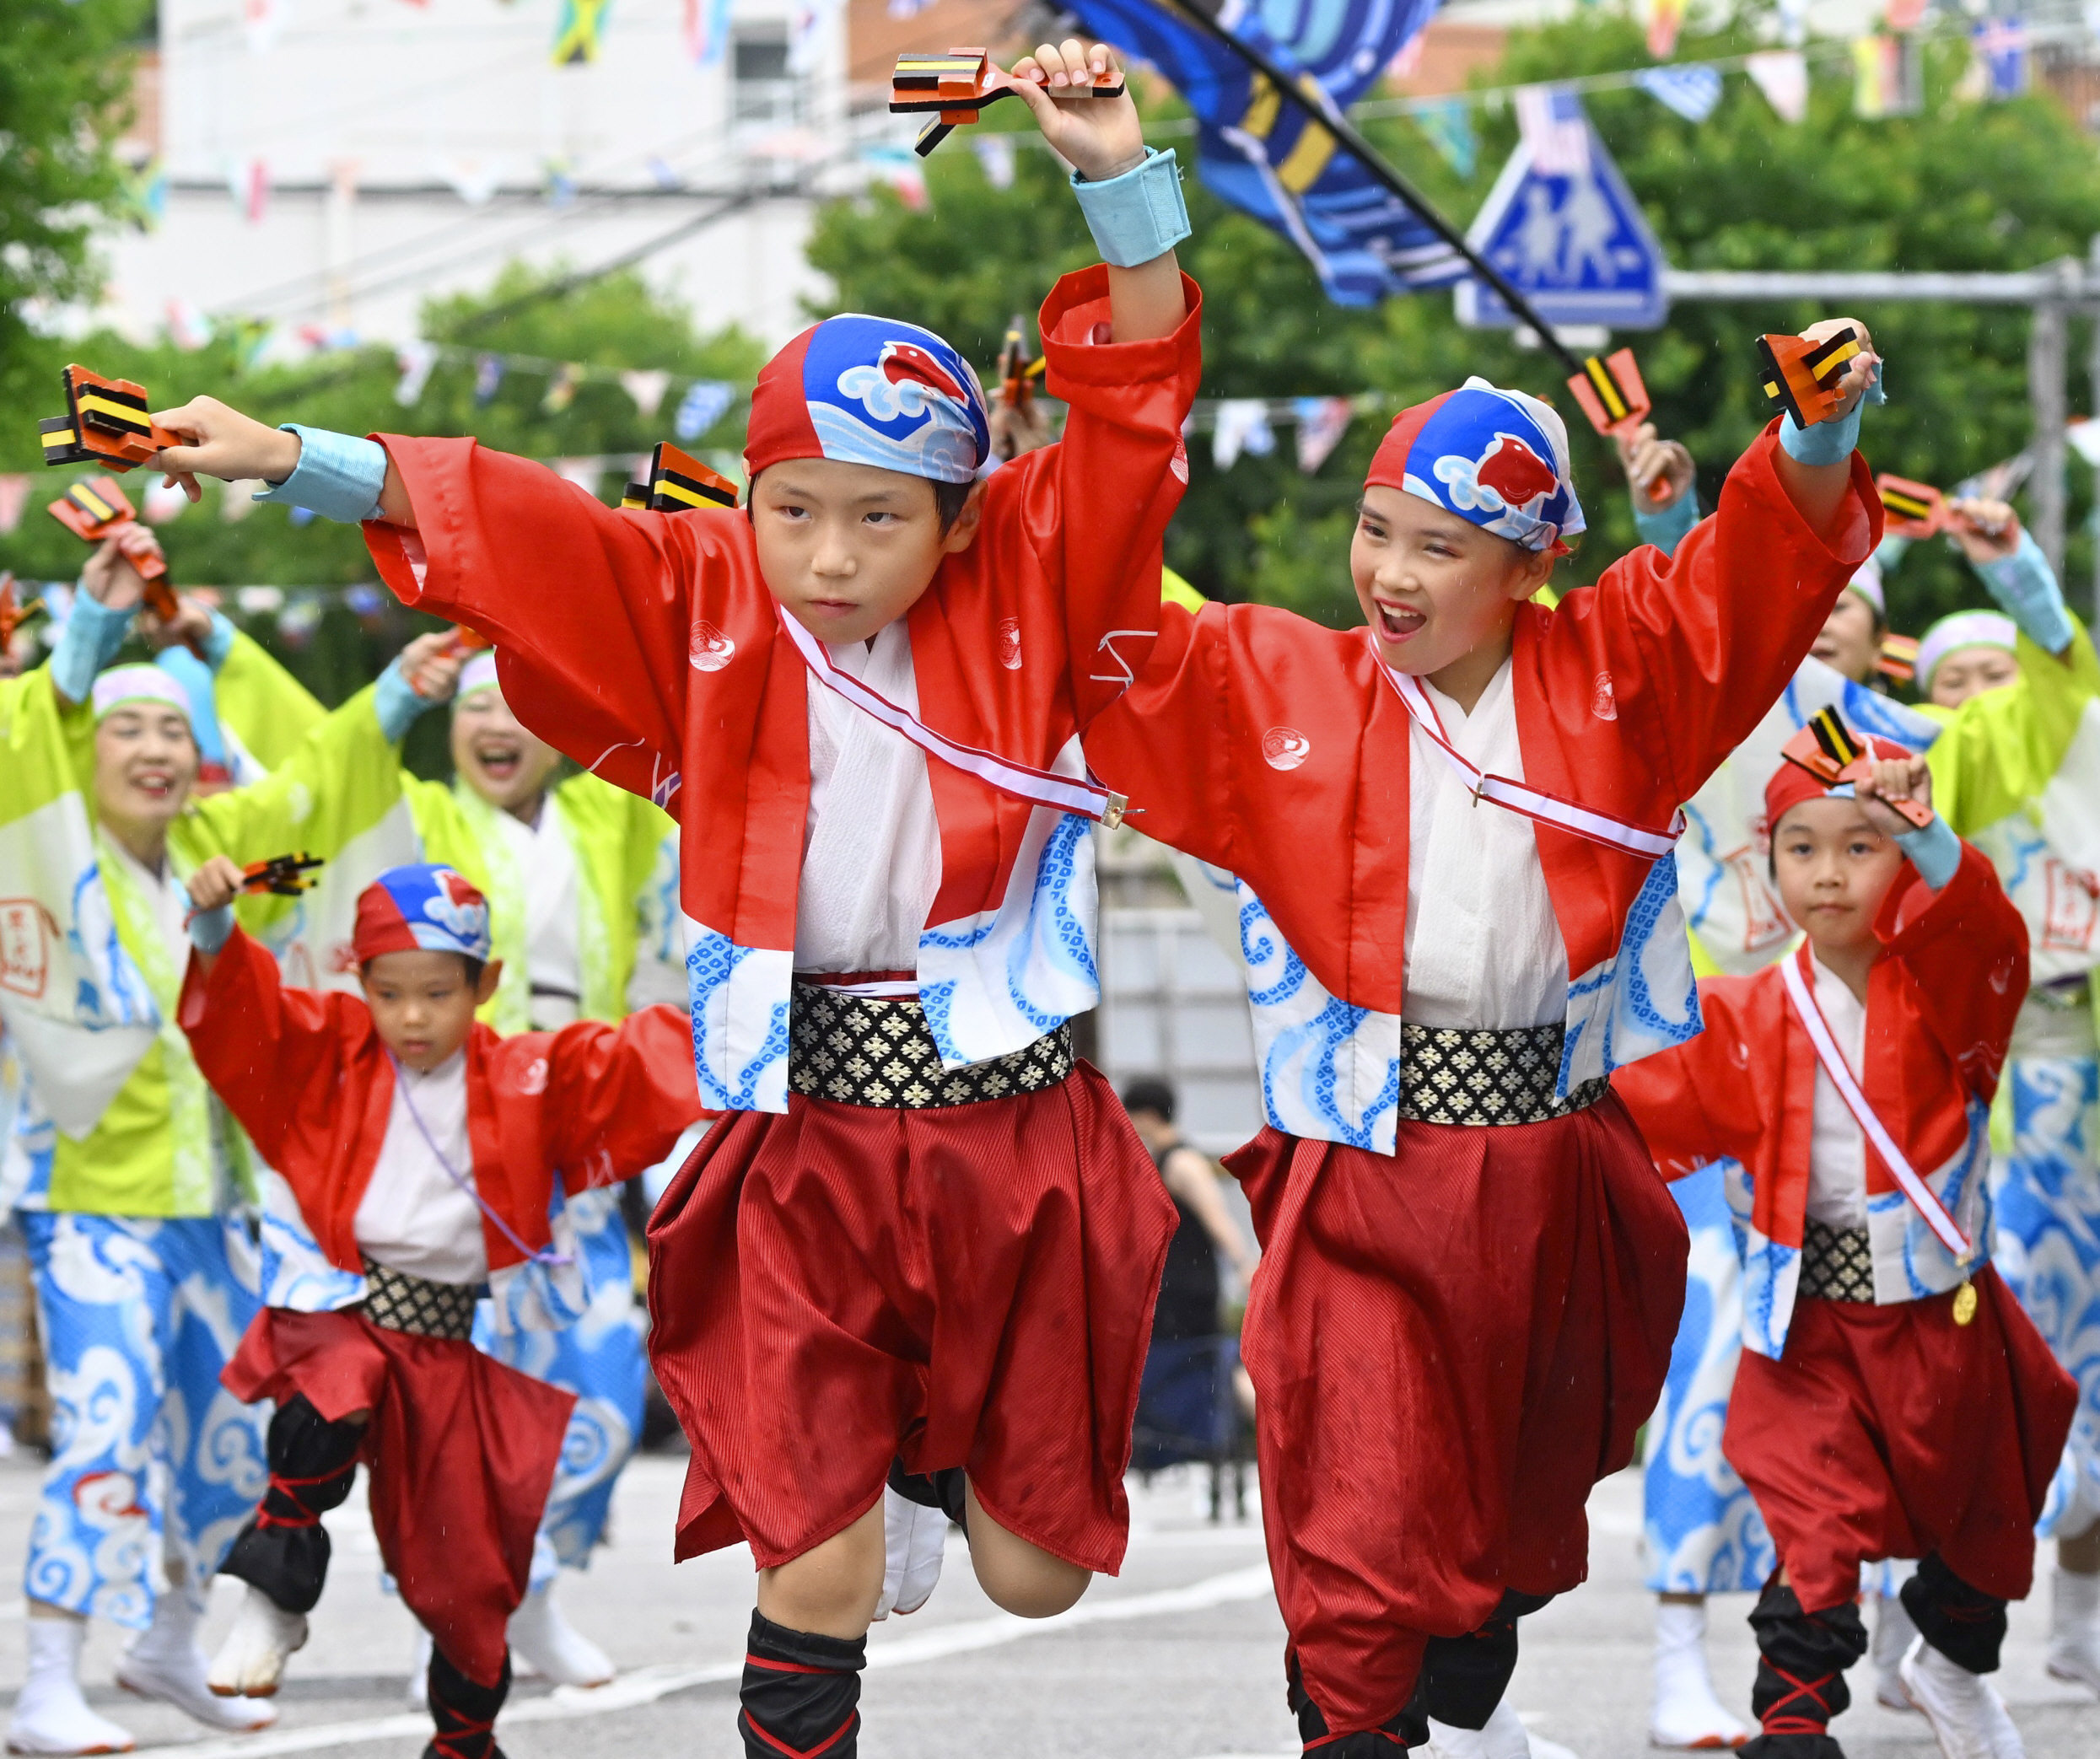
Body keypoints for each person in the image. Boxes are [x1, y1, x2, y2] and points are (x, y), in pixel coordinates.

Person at [143, 39, 1199, 1759]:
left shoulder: (1034, 574)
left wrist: (1113, 178)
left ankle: (938, 1438)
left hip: (1017, 1138)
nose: (834, 557)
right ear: (752, 495)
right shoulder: (702, 585)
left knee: (1031, 1577)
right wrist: (290, 452)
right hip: (804, 1136)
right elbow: (511, 518)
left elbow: (1138, 410)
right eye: (797, 510)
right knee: (820, 1564)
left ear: (963, 517)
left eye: (882, 518)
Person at [1078, 318, 1883, 1758]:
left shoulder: (1621, 670)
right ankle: (1352, 1701)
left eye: (1440, 548)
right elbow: (1111, 626)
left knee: (1500, 1532)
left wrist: (1813, 440)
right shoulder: (1282, 682)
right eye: (1376, 529)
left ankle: (1433, 1649)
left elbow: (1743, 590)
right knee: (1360, 1521)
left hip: (1551, 1175)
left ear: (1532, 568)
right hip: (1366, 1166)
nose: (1389, 572)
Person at [0, 528, 457, 1755]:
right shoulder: (44, 845)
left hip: (215, 1203)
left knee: (220, 1441)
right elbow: (26, 739)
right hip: (90, 1193)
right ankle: (51, 1673)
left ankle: (166, 1640)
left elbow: (314, 781)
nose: (155, 751)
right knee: (105, 1417)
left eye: (173, 734)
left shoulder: (217, 857)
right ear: (82, 750)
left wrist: (395, 696)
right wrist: (92, 639)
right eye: (125, 729)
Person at [1612, 736, 2076, 1759]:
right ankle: (1793, 1723)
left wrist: (1933, 832)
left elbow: (1987, 931)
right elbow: (1631, 1100)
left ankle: (1950, 1662)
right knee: (1813, 1527)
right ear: (1769, 864)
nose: (1827, 872)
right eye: (1800, 847)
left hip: (1946, 1321)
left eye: (1861, 846)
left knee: (1991, 1503)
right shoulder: (1735, 1013)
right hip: (1811, 1333)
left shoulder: (1951, 994)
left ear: (1903, 857)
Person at [176, 860, 702, 1759]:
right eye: (388, 992)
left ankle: (465, 1740)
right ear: (359, 982)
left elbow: (637, 1062)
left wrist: (757, 996)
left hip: (448, 1341)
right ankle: (275, 1596)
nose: (412, 1017)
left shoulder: (531, 1072)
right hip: (342, 1310)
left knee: (465, 1574)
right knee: (334, 1389)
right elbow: (246, 1021)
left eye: (436, 993)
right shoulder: (334, 1049)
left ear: (486, 984)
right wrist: (219, 931)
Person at [1615, 423, 1943, 1744]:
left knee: (1849, 1385)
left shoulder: (1906, 748)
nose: (1817, 628)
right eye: (1803, 607)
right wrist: (1671, 522)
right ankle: (1671, 1653)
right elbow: (1708, 626)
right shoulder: (1724, 719)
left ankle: (1845, 1640)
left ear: (1871, 636)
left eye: (1843, 612)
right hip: (1716, 1081)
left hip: (1857, 1099)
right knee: (1710, 1364)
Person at [396, 649, 675, 1689]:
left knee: (602, 1378)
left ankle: (539, 1585)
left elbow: (672, 741)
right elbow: (326, 772)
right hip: (456, 1153)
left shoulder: (608, 817)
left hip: (582, 1147)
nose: (497, 726)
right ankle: (465, 1610)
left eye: (518, 706)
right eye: (476, 707)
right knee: (467, 1399)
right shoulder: (418, 813)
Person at [1915, 504, 2100, 1698]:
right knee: (2005, 1363)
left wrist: (2022, 582)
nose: (1980, 691)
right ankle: (1918, 1630)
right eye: (1953, 676)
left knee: (2088, 1358)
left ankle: (2075, 1621)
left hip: (2084, 1081)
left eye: (1999, 669)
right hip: (1981, 1101)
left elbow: (2060, 682)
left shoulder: (2073, 759)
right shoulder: (1929, 774)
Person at [1121, 1076, 1256, 1468]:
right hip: (1173, 1287)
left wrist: (1243, 1263)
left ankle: (1259, 1434)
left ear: (1146, 1115)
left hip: (1188, 1290)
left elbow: (1218, 1219)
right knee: (1204, 1366)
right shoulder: (1162, 1160)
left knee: (1206, 1363)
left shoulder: (1182, 1161)